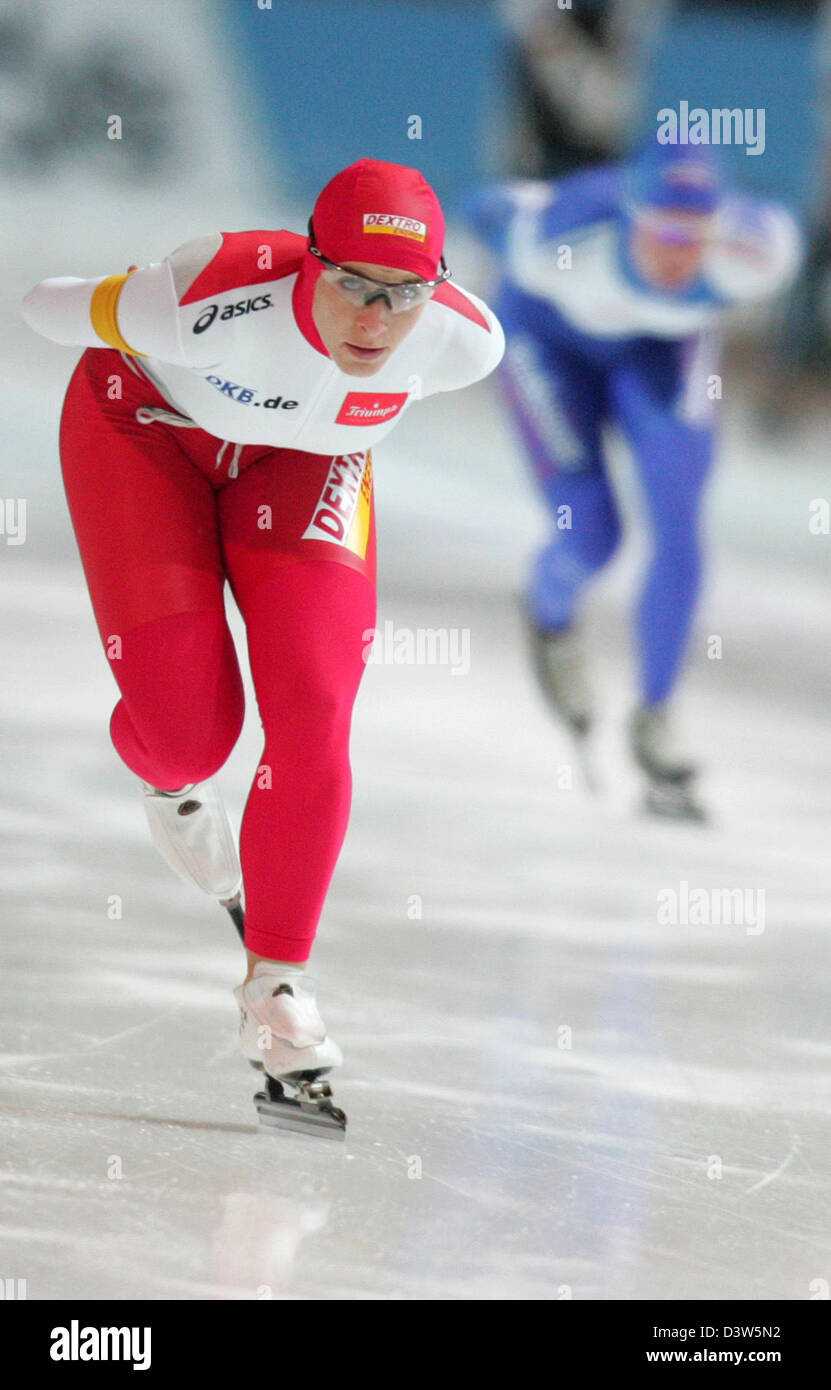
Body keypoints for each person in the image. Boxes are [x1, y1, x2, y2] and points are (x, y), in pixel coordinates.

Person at [21, 158, 505, 1126]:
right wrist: (128, 300)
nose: (375, 320)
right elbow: (42, 305)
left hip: (307, 466)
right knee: (191, 732)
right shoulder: (211, 296)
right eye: (353, 286)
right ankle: (172, 781)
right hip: (143, 428)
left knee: (317, 707)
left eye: (402, 294)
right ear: (309, 263)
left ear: (437, 287)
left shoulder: (462, 343)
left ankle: (277, 987)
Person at [462, 139, 801, 817]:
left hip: (660, 355)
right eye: (663, 232)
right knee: (591, 534)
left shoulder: (760, 249)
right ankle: (550, 615)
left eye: (694, 236)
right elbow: (473, 210)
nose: (678, 253)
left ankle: (656, 713)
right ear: (627, 216)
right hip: (547, 345)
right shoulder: (557, 234)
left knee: (679, 523)